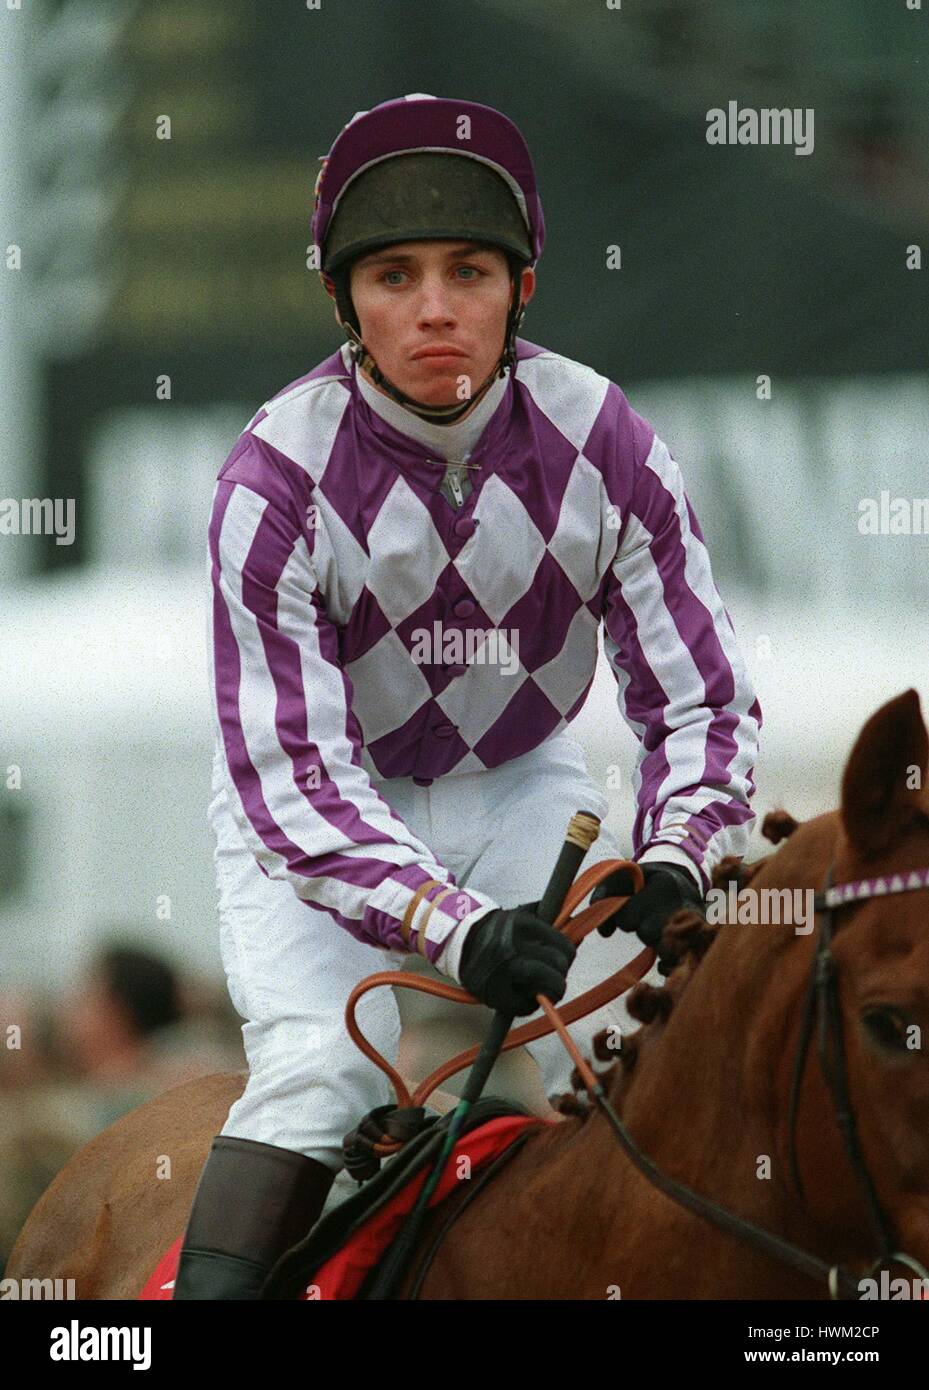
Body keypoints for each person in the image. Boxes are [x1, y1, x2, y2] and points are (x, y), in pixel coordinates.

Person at [173, 94, 762, 1299]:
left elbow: (699, 704)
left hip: (518, 783)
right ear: (343, 300)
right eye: (392, 274)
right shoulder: (271, 478)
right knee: (325, 1071)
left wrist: (681, 857)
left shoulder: (607, 442)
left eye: (469, 271)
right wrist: (456, 929)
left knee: (622, 1054)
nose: (435, 309)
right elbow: (297, 785)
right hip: (323, 821)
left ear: (523, 286)